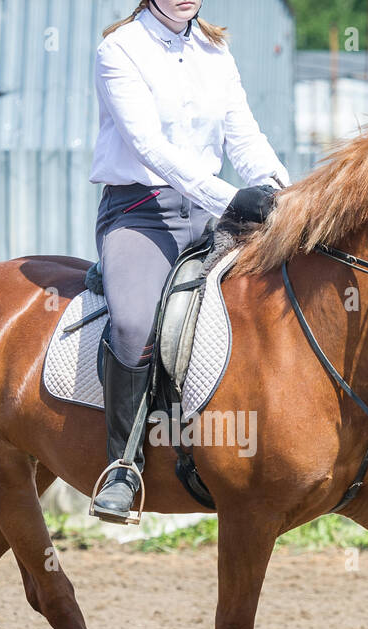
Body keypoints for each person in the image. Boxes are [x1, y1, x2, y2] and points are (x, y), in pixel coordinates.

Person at [88, 0, 289, 522]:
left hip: (212, 211)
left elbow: (243, 135)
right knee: (134, 323)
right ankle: (123, 467)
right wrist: (232, 199)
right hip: (141, 211)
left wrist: (279, 189)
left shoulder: (214, 49)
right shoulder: (119, 49)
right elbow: (149, 146)